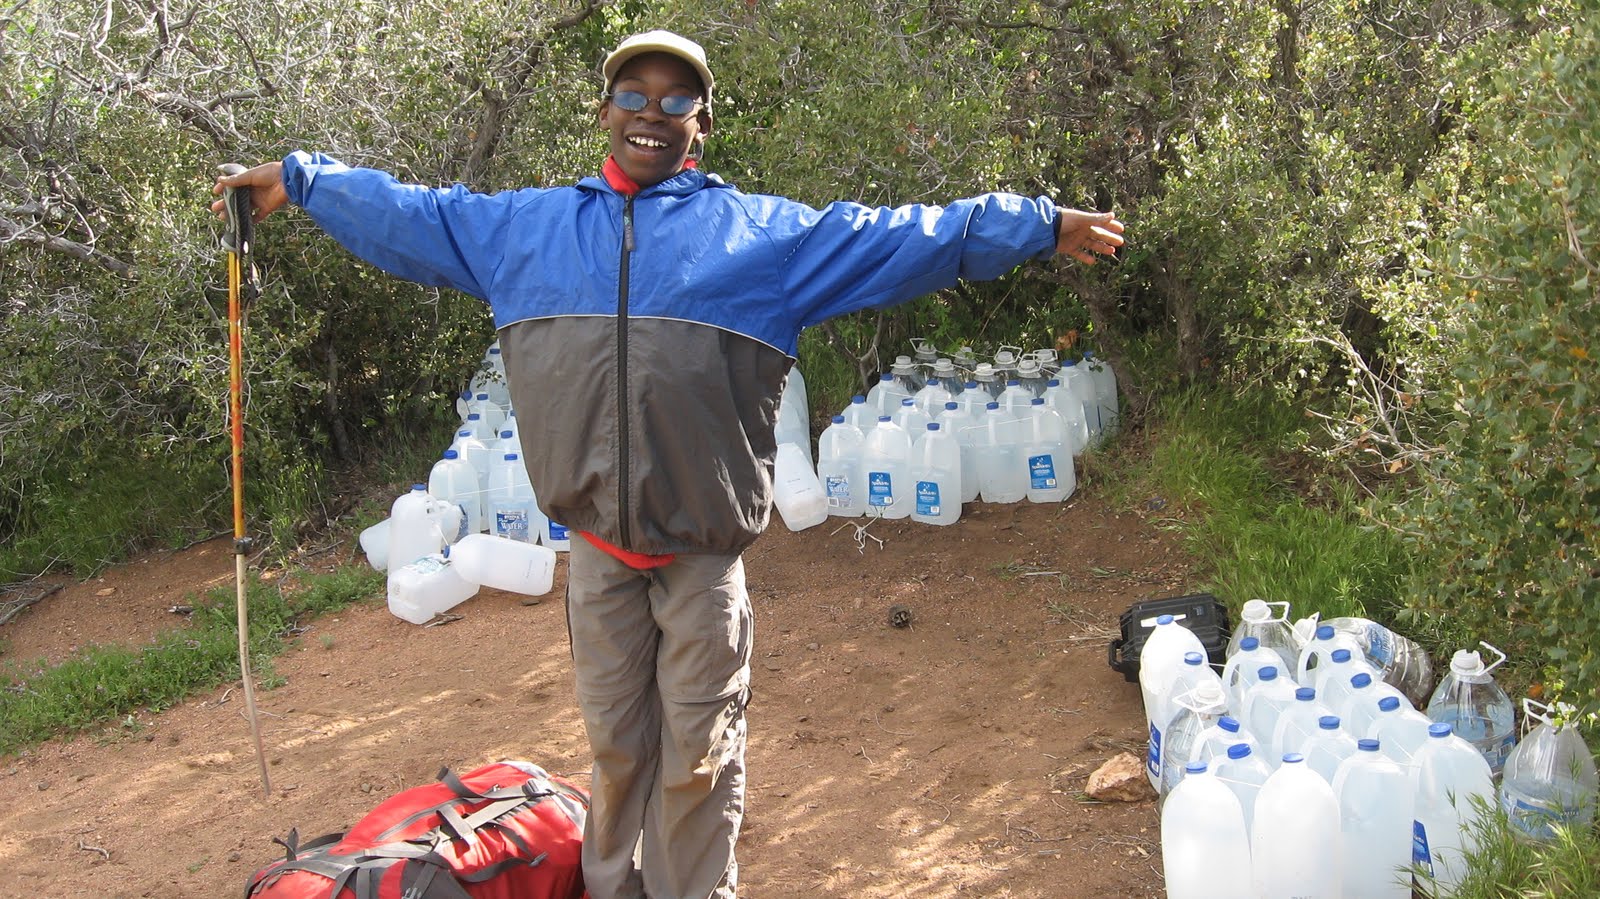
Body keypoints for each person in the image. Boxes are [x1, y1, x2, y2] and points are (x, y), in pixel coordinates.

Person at [214, 29, 1124, 899]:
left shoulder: (760, 240)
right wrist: (301, 182)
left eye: (675, 97)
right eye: (632, 93)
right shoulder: (526, 232)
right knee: (615, 750)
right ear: (605, 108)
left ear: (701, 122)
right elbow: (410, 214)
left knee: (698, 757)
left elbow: (909, 235)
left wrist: (1039, 227)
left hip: (701, 560)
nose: (651, 110)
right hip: (598, 554)